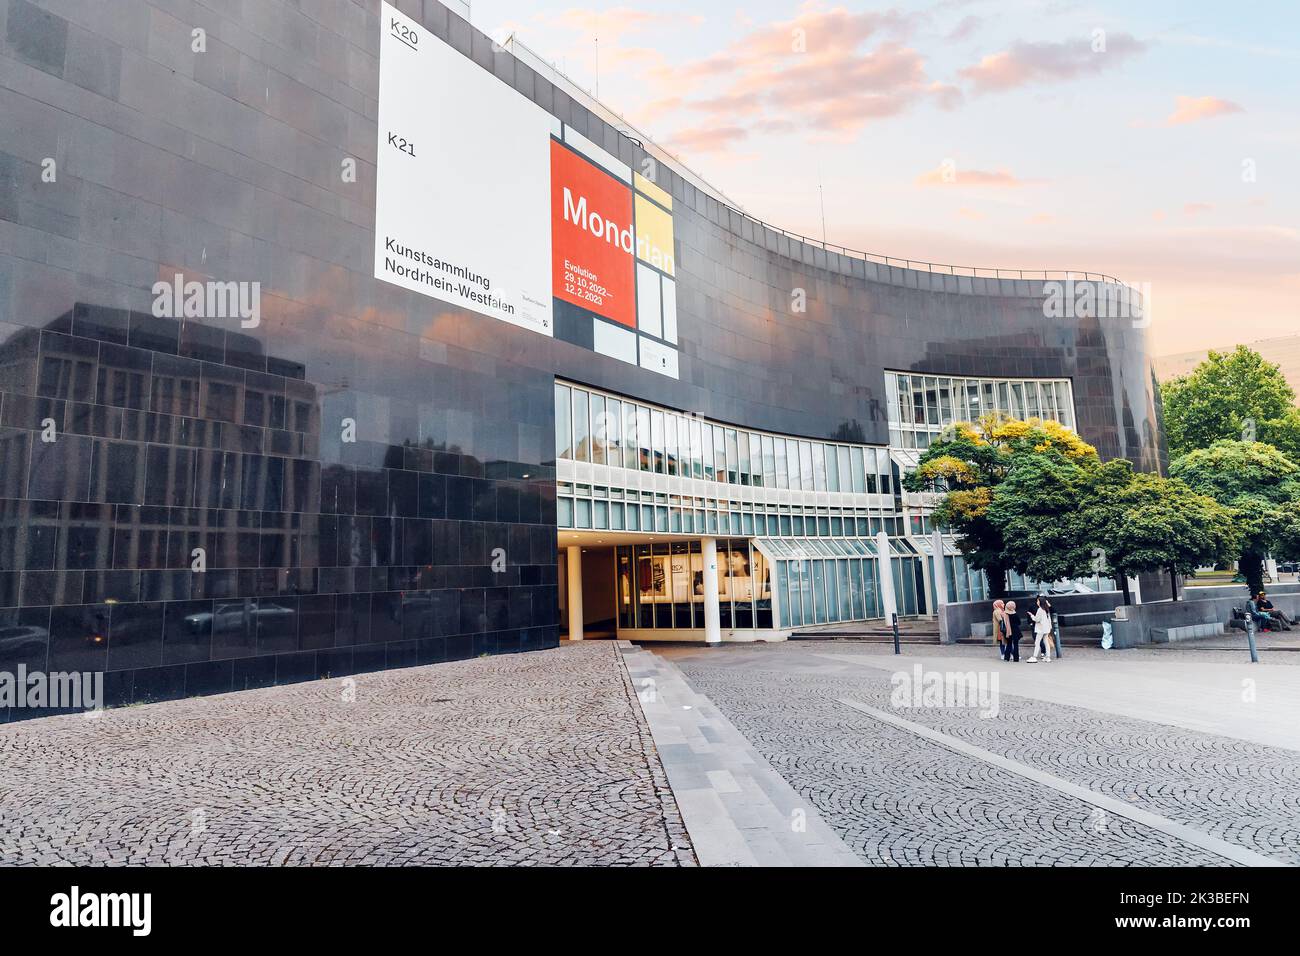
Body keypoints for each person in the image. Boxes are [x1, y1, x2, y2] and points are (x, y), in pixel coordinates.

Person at [1027, 595, 1054, 662]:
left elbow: (1037, 619)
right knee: (1046, 642)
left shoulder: (1040, 609)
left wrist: (1032, 615)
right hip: (1046, 628)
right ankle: (1048, 657)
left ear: (1040, 602)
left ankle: (1034, 657)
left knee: (1037, 642)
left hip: (1040, 628)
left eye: (1038, 601)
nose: (1037, 602)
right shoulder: (1046, 608)